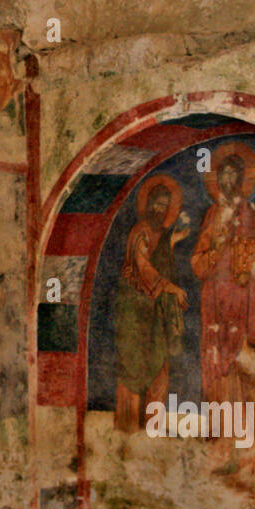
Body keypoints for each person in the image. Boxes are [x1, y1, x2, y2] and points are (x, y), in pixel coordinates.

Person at [190, 144, 255, 444]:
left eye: (232, 174)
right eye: (222, 174)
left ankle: (251, 448)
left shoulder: (252, 214)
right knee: (217, 372)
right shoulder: (212, 215)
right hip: (214, 303)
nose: (226, 180)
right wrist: (216, 248)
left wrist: (251, 269)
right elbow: (198, 263)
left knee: (245, 366)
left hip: (243, 302)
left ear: (241, 179)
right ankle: (221, 443)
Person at [113, 175, 188, 431]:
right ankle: (128, 427)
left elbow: (159, 257)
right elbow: (144, 269)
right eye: (156, 203)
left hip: (154, 312)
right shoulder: (140, 231)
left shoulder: (160, 234)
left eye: (165, 205)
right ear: (147, 204)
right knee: (133, 367)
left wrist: (172, 241)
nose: (160, 209)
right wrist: (173, 289)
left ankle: (151, 427)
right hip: (134, 310)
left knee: (159, 367)